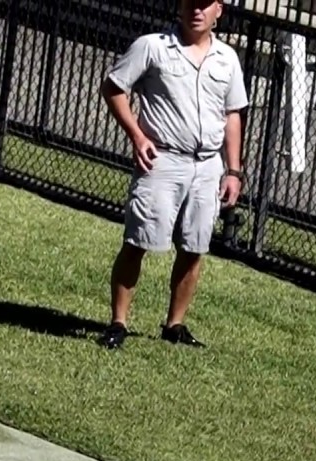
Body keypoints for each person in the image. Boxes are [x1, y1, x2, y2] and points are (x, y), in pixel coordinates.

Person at [97, 0, 248, 350]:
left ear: (218, 11)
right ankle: (118, 323)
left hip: (207, 165)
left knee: (194, 247)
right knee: (138, 242)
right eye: (189, 4)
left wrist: (233, 170)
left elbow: (233, 115)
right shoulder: (152, 47)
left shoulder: (227, 59)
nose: (196, 11)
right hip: (162, 160)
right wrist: (137, 135)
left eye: (204, 5)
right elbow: (114, 87)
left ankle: (174, 325)